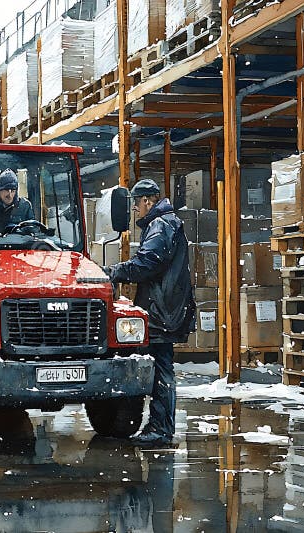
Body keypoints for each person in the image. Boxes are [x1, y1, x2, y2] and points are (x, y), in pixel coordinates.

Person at [106, 179, 195, 447]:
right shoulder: (165, 223)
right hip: (164, 307)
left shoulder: (161, 225)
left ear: (148, 201)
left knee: (160, 368)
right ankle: (159, 425)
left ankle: (161, 428)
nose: (134, 209)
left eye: (136, 203)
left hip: (161, 310)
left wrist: (114, 271)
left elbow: (148, 263)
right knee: (160, 367)